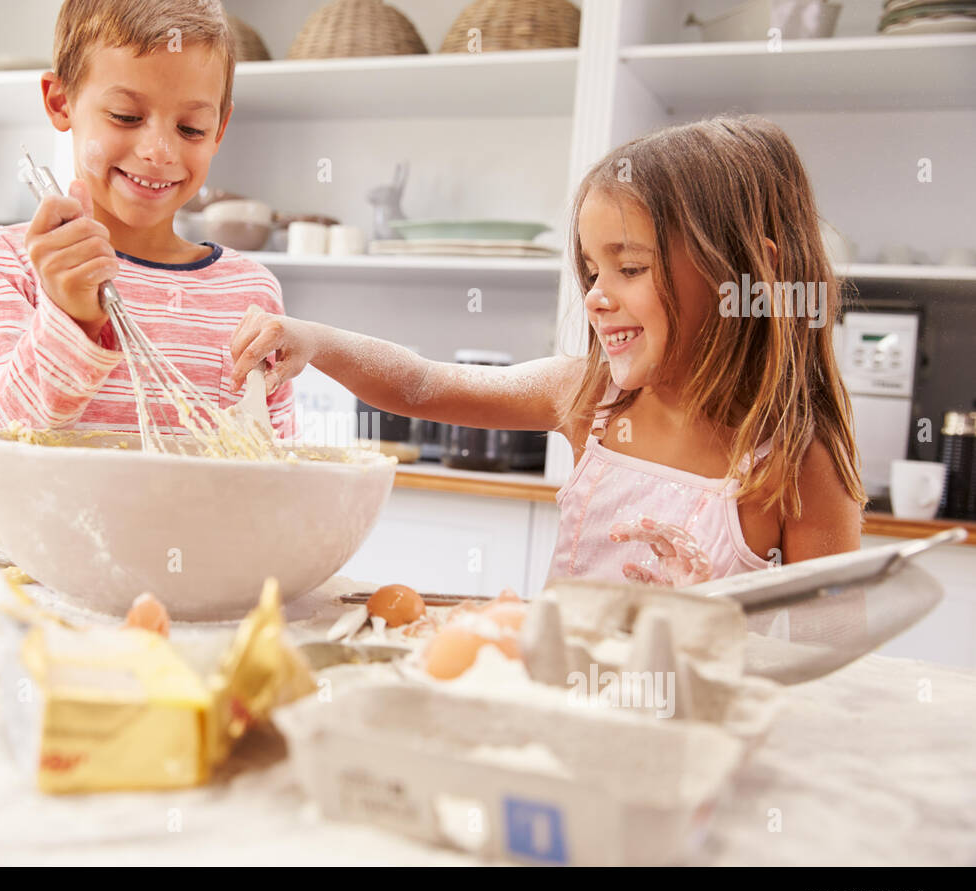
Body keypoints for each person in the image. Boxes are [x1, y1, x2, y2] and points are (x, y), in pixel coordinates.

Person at [231, 115, 866, 586]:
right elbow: (420, 385)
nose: (596, 297)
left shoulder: (796, 463)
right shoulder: (587, 399)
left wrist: (714, 625)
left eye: (632, 269)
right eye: (593, 272)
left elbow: (829, 660)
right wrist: (315, 341)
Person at [0, 0, 295, 438]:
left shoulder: (250, 292)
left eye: (191, 128)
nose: (159, 151)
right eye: (126, 117)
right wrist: (71, 319)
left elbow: (276, 464)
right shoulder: (6, 263)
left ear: (220, 129)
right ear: (61, 102)